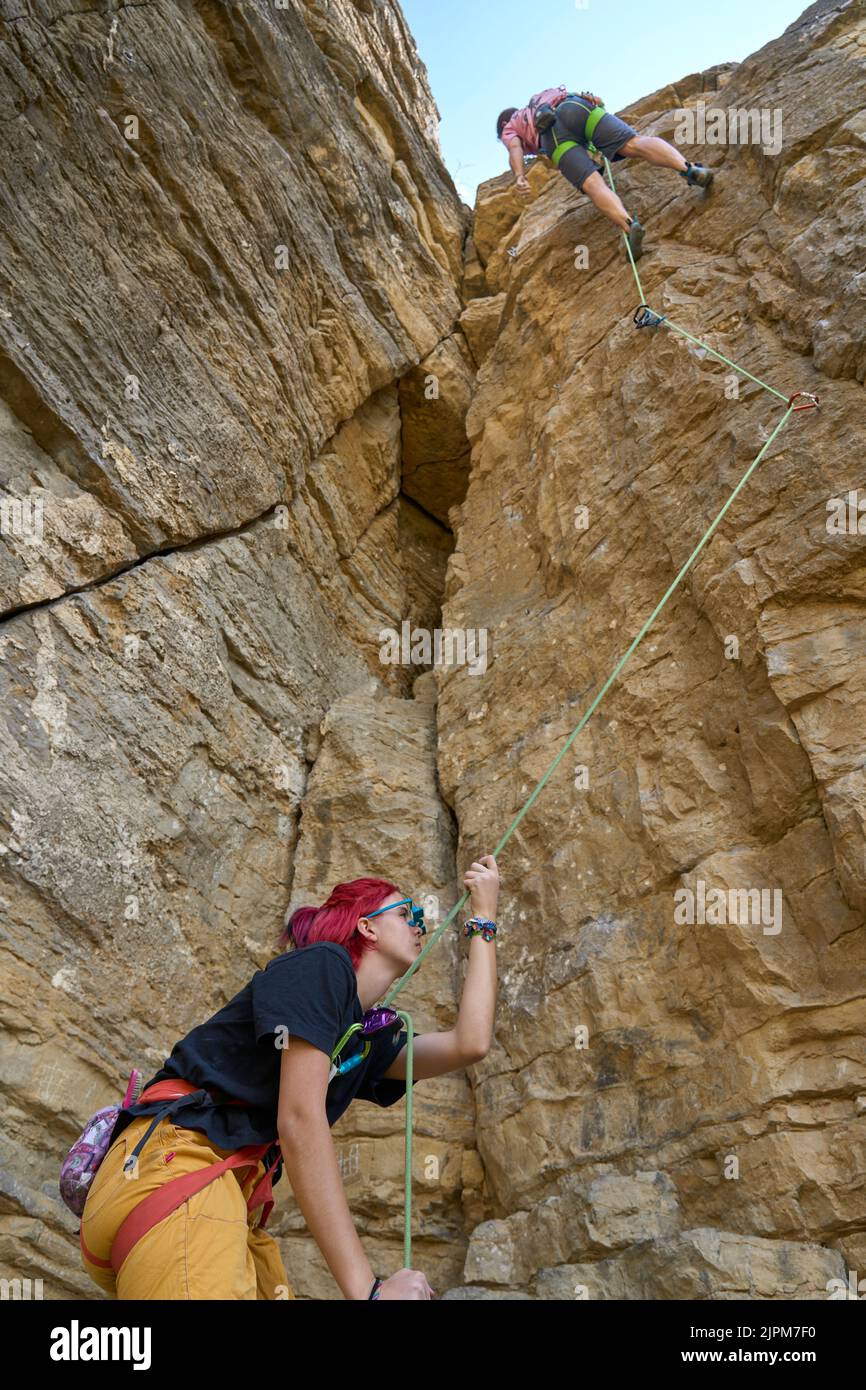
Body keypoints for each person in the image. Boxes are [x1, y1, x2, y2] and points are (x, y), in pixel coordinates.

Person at [79, 855, 500, 1300]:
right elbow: (299, 1119)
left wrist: (484, 918)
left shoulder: (357, 1038)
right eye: (406, 912)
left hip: (203, 1198)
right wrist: (369, 1291)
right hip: (180, 1173)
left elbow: (470, 1043)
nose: (420, 923)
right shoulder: (322, 966)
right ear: (367, 928)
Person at [497, 87, 713, 259]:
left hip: (553, 136)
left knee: (593, 183)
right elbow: (591, 97)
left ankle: (629, 227)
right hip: (575, 105)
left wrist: (520, 176)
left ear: (505, 124)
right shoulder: (541, 96)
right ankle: (688, 168)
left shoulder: (511, 126)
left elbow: (515, 147)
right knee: (634, 143)